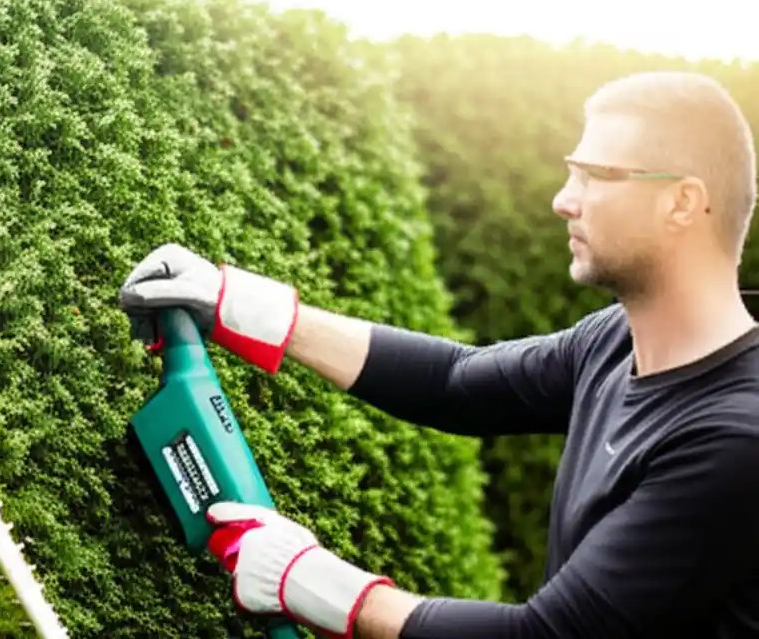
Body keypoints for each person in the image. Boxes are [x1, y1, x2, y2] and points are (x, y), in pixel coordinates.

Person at [117, 70, 759, 638]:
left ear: (682, 201)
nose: (564, 198)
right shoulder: (613, 341)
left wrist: (314, 582)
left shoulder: (733, 441)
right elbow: (457, 382)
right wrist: (241, 304)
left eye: (596, 175)